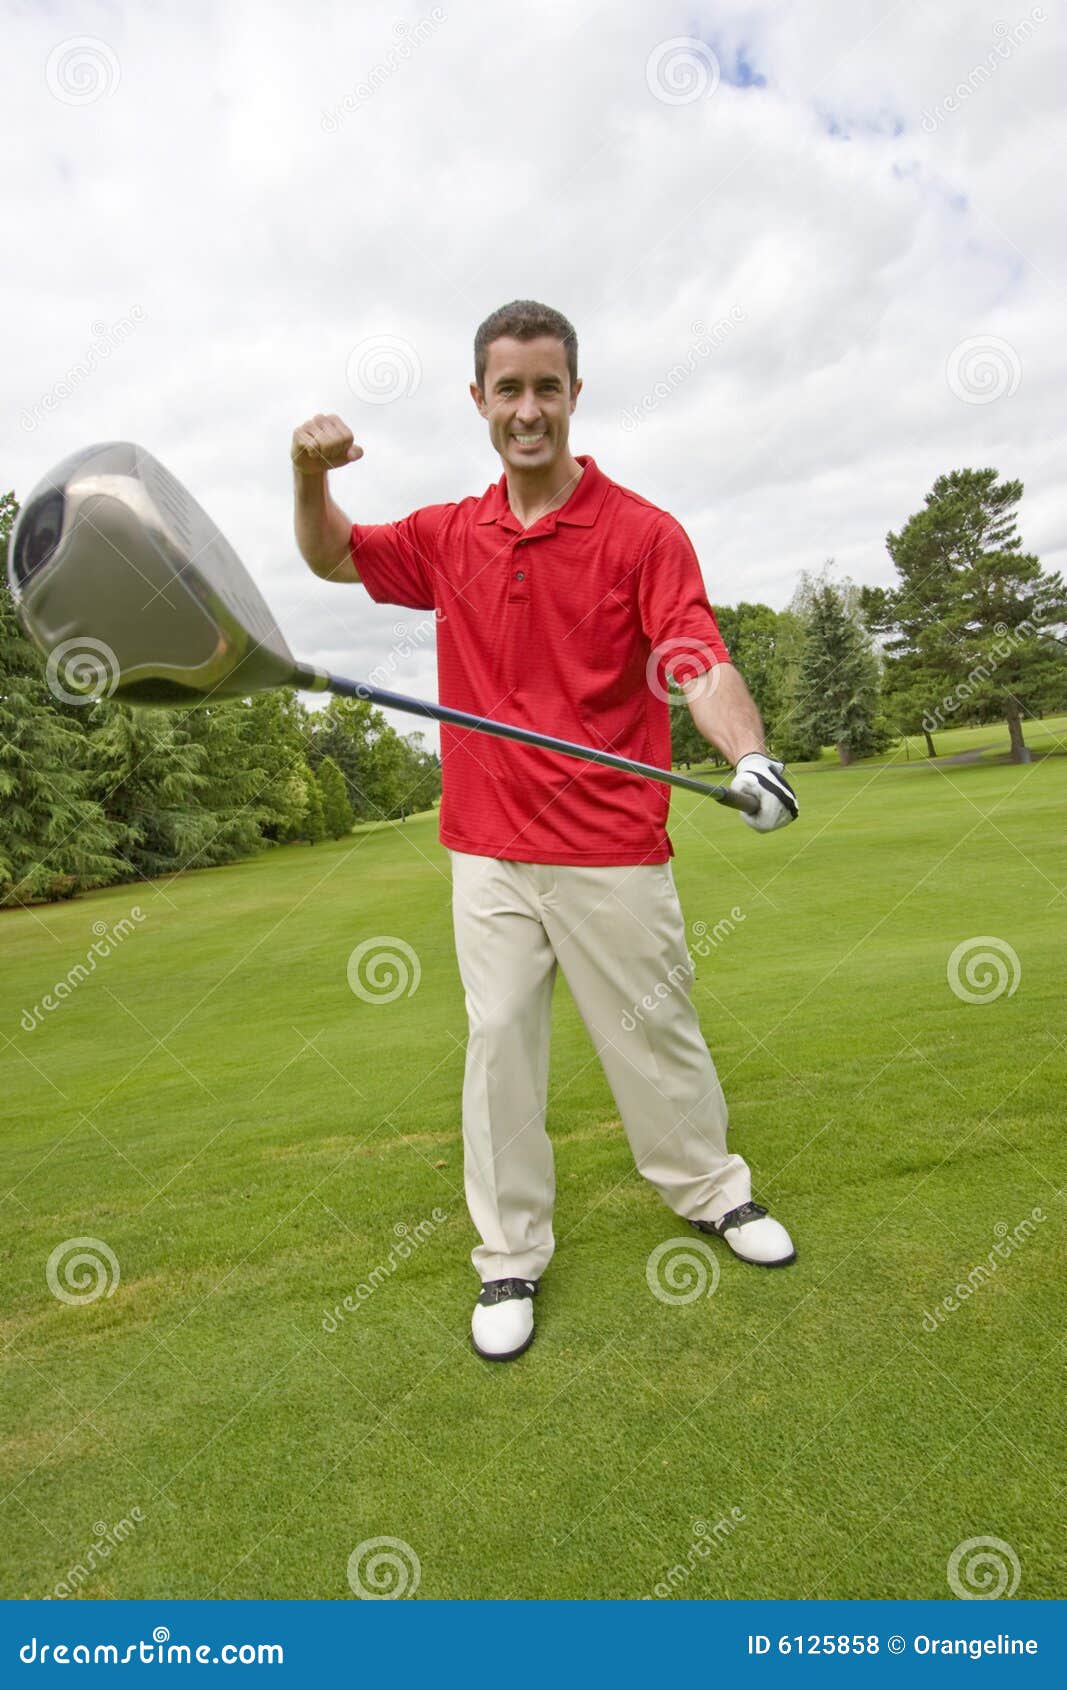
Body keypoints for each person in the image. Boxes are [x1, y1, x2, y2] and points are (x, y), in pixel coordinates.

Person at [292, 300, 799, 1363]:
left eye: (546, 387)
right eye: (508, 390)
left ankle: (710, 1193)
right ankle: (508, 1254)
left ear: (574, 395)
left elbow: (693, 657)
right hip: (486, 848)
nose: (528, 410)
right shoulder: (444, 536)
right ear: (478, 401)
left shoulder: (641, 533)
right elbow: (332, 557)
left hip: (610, 844)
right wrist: (310, 474)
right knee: (498, 1049)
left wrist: (744, 750)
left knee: (652, 1036)